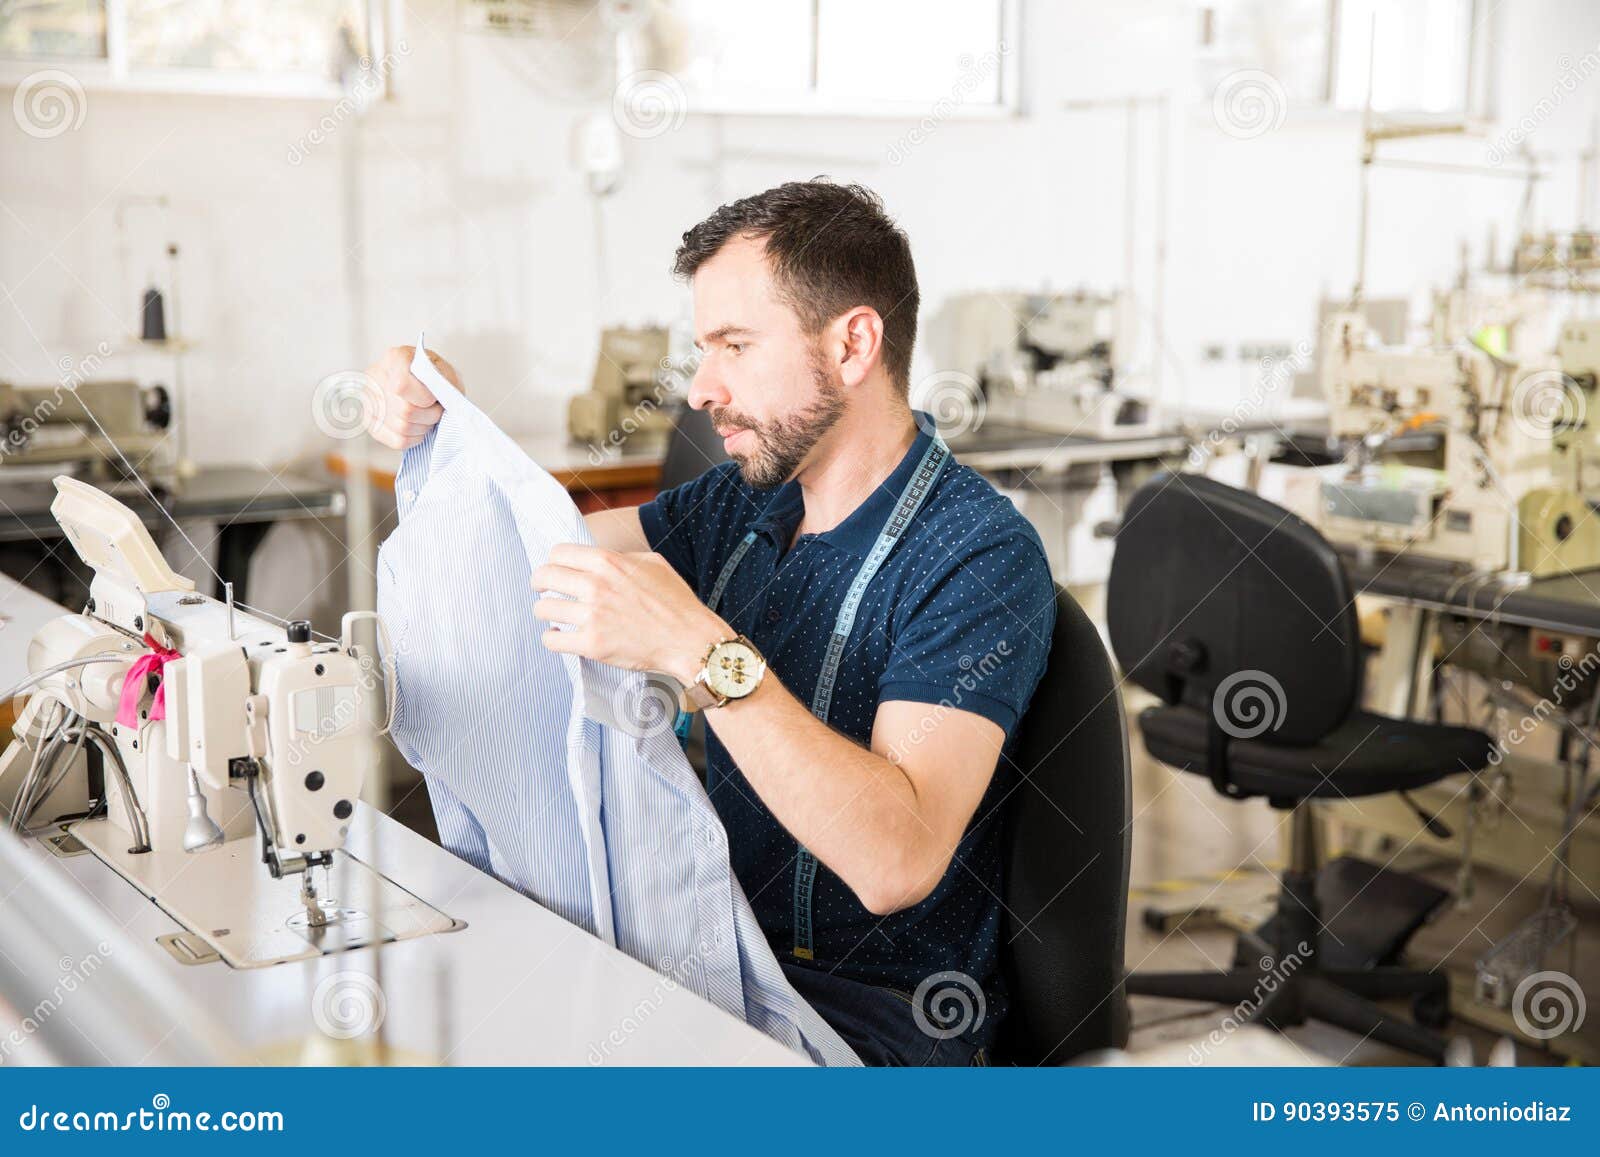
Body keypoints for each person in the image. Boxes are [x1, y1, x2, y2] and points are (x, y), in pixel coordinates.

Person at [365, 180, 1057, 1065]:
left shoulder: (977, 554)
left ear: (852, 344)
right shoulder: (744, 506)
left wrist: (704, 651)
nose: (700, 389)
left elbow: (898, 860)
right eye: (704, 349)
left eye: (734, 345)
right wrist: (441, 414)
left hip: (873, 1023)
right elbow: (528, 553)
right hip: (713, 957)